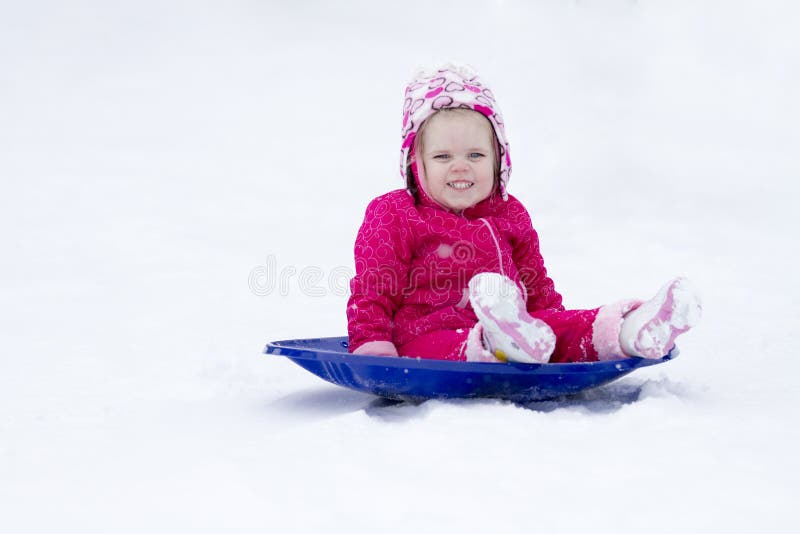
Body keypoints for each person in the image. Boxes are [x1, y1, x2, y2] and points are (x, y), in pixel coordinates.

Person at [346, 63, 701, 364]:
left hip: (524, 328)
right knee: (449, 346)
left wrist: (558, 323)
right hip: (426, 337)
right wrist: (372, 343)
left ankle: (632, 330)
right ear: (415, 163)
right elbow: (374, 288)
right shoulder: (395, 213)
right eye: (442, 157)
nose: (460, 168)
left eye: (475, 156)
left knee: (565, 328)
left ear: (500, 160)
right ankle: (498, 343)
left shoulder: (509, 213)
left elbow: (536, 283)